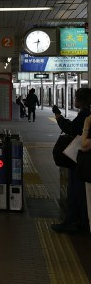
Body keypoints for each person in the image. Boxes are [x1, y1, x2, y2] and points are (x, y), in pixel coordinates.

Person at [51, 88, 90, 234]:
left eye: (76, 97)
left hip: (80, 158)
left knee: (76, 191)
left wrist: (58, 116)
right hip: (83, 158)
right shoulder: (86, 114)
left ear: (81, 100)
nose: (74, 100)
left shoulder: (86, 115)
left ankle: (74, 222)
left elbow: (71, 128)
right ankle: (81, 221)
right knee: (79, 191)